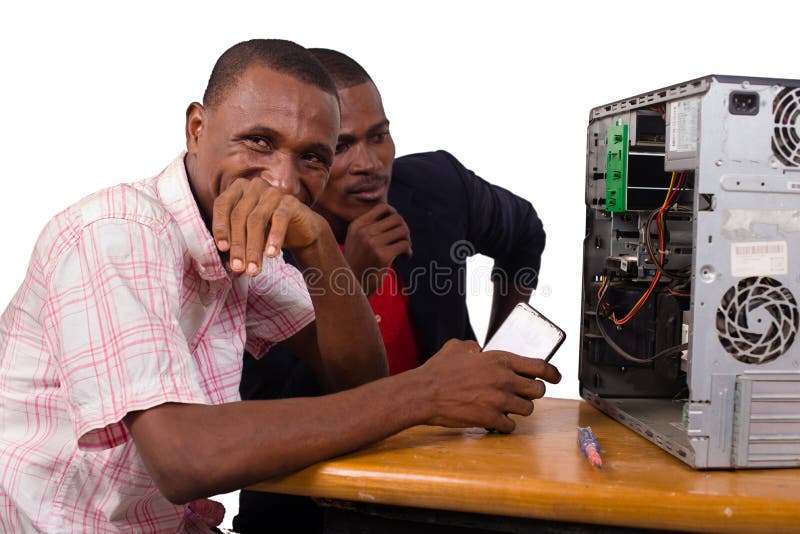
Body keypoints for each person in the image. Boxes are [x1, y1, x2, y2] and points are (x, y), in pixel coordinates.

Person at [0, 40, 560, 533]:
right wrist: (426, 392)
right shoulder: (118, 232)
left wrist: (318, 244)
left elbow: (357, 378)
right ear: (196, 129)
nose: (284, 182)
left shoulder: (256, 227)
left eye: (312, 157)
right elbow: (185, 459)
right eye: (259, 141)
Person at [235, 48, 548, 532]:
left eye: (378, 136)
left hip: (449, 482)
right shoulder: (257, 234)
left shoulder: (437, 186)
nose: (370, 164)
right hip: (312, 505)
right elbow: (269, 417)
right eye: (341, 146)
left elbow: (524, 233)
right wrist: (349, 281)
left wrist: (500, 353)